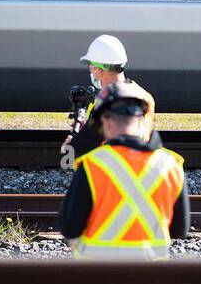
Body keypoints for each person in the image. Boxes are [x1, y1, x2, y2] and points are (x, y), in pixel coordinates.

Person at [57, 80, 190, 259]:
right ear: (142, 120)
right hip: (153, 280)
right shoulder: (170, 165)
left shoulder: (91, 165)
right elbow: (179, 230)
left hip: (99, 278)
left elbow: (70, 228)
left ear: (105, 121)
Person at [66, 34, 149, 160]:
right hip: (139, 167)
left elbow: (82, 149)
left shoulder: (106, 102)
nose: (91, 72)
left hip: (112, 171)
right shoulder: (144, 96)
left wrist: (71, 142)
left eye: (91, 67)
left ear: (100, 70)